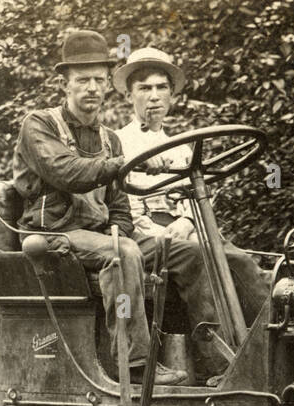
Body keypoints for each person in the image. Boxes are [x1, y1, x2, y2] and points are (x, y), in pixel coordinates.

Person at [12, 30, 187, 386]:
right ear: (65, 84)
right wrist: (124, 164)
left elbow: (119, 206)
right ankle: (136, 364)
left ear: (107, 83)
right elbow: (67, 172)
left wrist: (120, 229)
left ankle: (215, 352)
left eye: (98, 79)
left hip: (95, 238)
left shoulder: (110, 139)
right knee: (122, 253)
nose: (91, 87)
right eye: (82, 80)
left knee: (186, 252)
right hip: (53, 235)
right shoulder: (39, 125)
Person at [113, 47, 271, 374]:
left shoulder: (183, 146)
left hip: (187, 232)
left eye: (161, 88)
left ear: (171, 95)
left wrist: (186, 221)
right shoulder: (118, 143)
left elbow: (196, 200)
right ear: (130, 95)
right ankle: (219, 364)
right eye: (144, 89)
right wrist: (162, 233)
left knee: (241, 261)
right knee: (199, 258)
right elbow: (124, 206)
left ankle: (267, 354)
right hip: (145, 237)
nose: (154, 97)